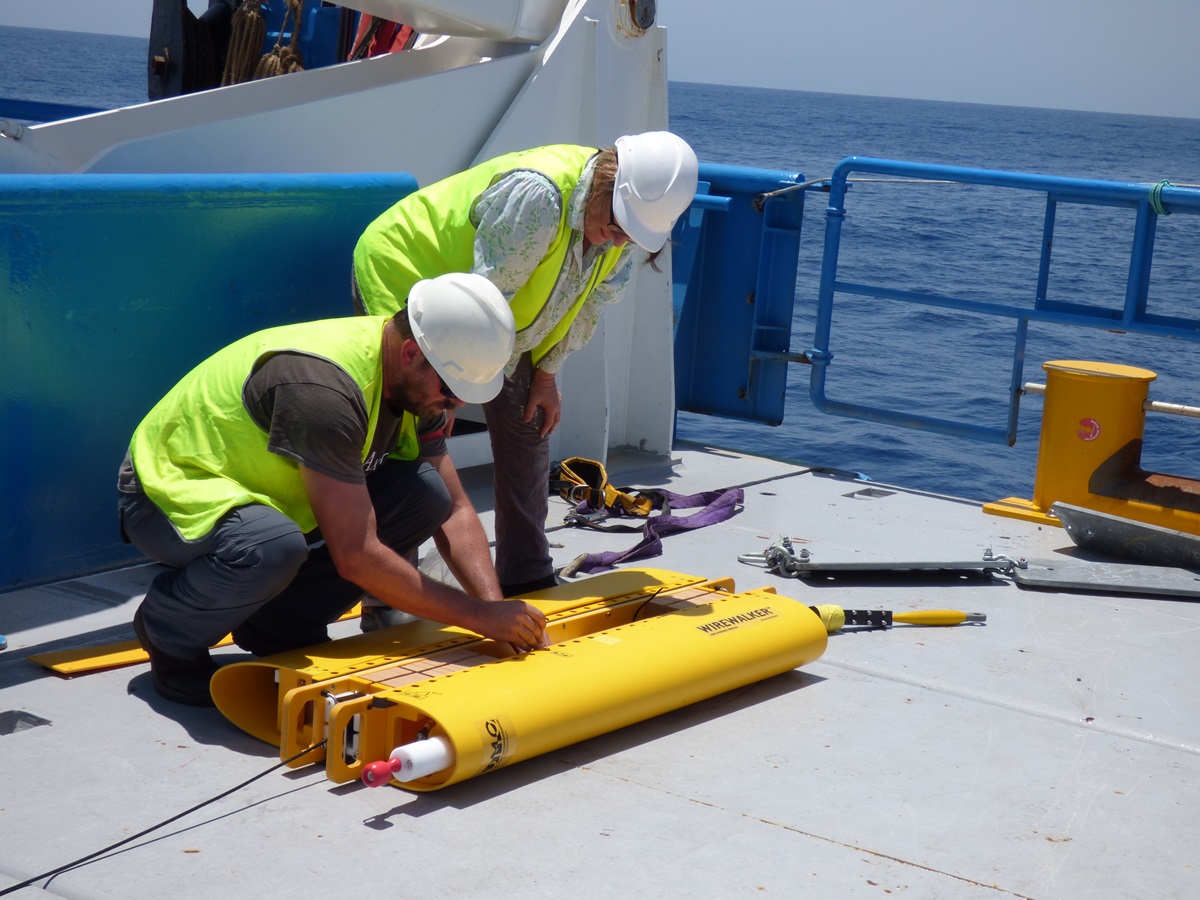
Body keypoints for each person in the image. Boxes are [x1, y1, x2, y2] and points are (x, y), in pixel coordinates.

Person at [119, 273, 549, 707]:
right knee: (271, 546)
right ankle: (168, 632)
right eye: (451, 391)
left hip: (269, 499)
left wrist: (497, 612)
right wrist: (477, 617)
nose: (455, 405)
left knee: (426, 495)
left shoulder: (419, 380)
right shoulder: (324, 391)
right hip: (165, 493)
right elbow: (356, 555)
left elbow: (455, 510)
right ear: (411, 353)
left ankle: (279, 626)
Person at [352, 132, 699, 605]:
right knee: (410, 437)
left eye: (633, 235)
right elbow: (475, 306)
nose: (620, 240)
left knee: (529, 423)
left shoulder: (620, 223)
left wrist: (547, 375)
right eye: (619, 225)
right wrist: (445, 390)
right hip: (410, 277)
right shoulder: (538, 200)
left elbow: (587, 305)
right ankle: (391, 598)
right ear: (608, 182)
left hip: (493, 312)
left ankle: (525, 575)